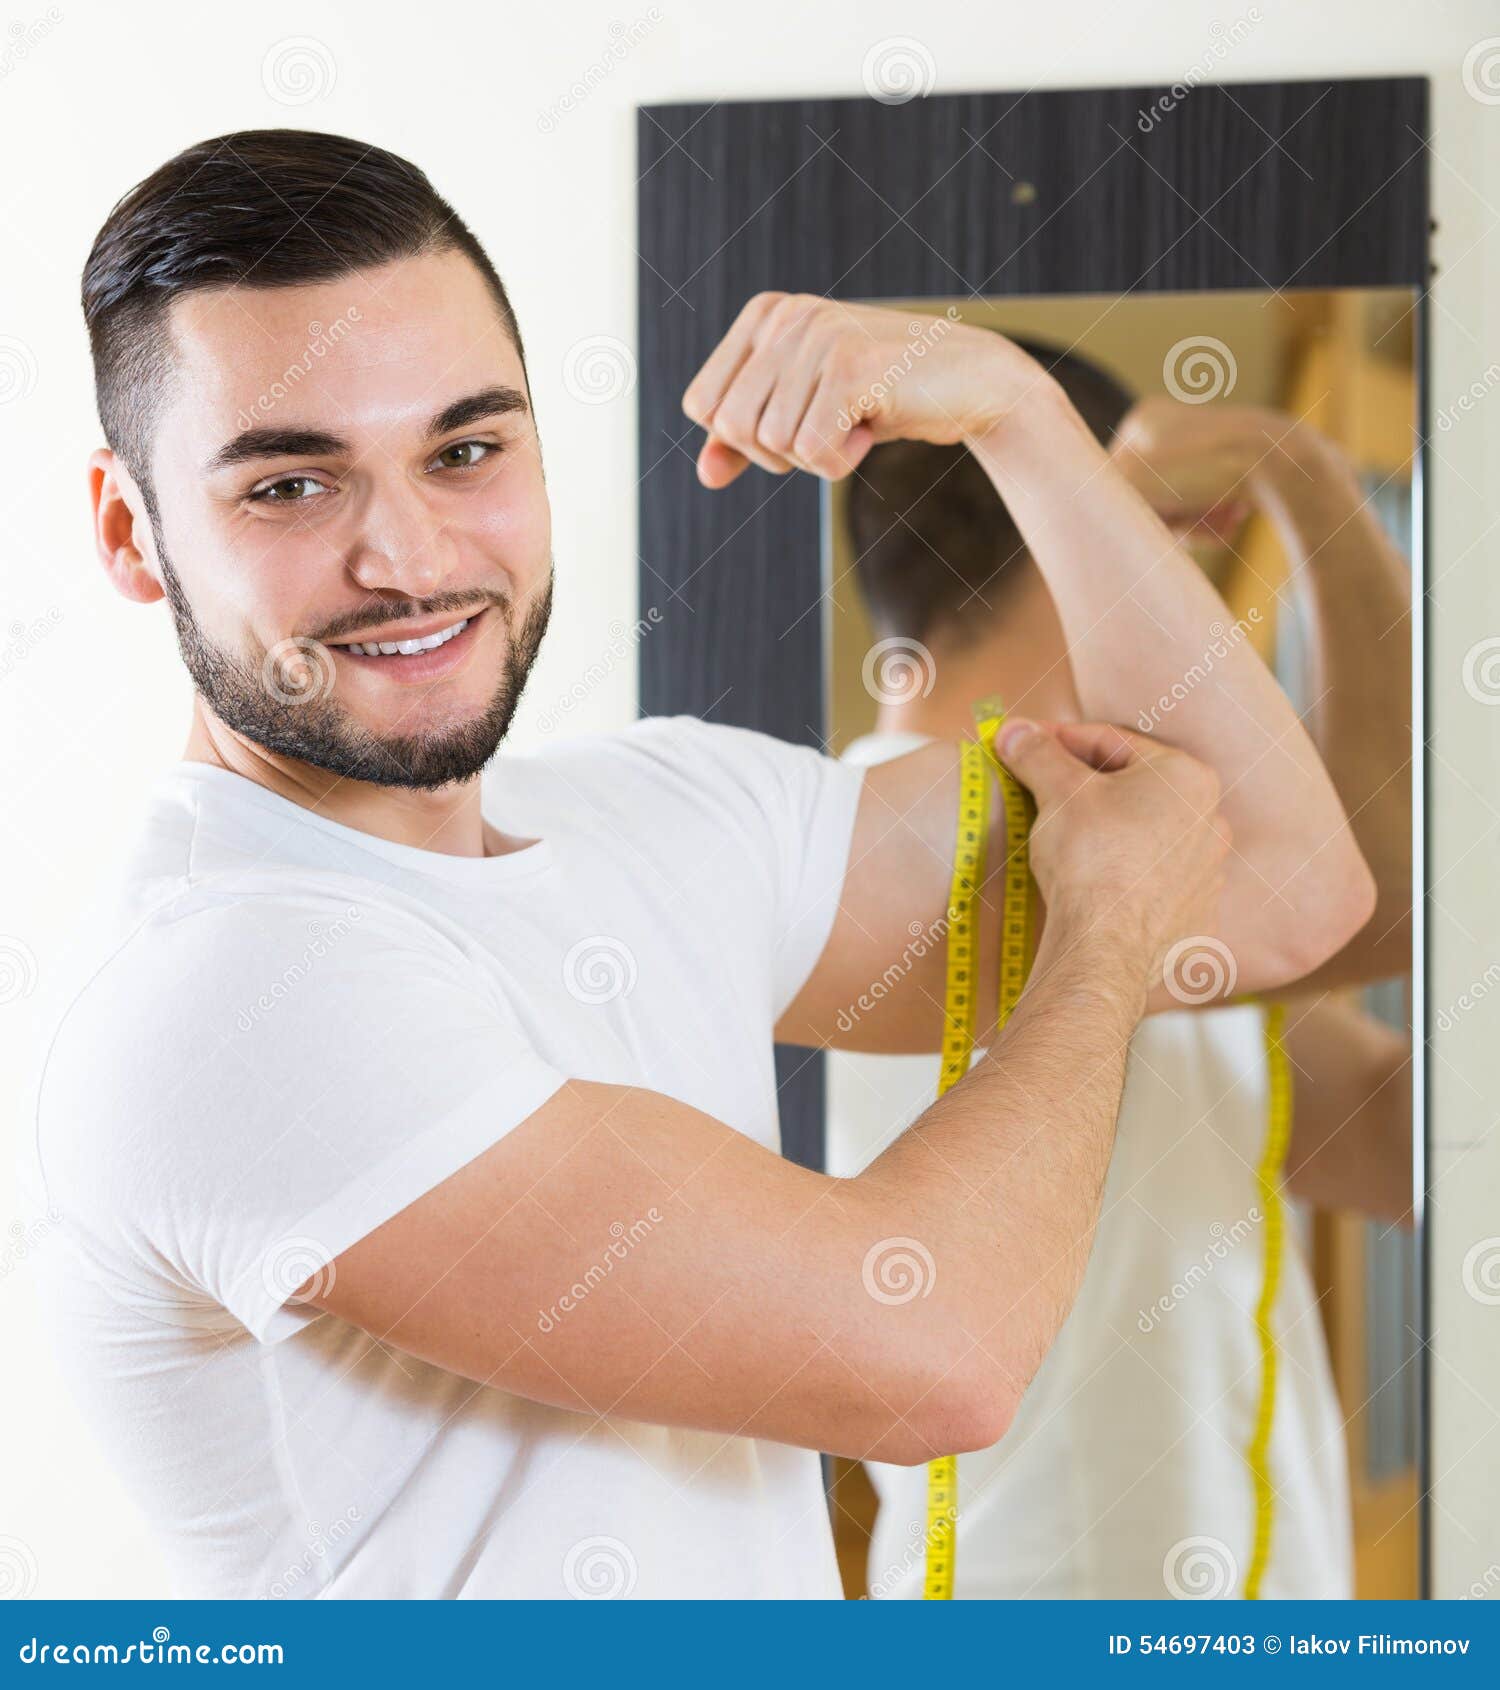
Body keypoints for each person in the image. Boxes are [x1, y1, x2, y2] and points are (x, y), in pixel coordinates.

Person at [16, 130, 1374, 1601]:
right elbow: (932, 1353)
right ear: (127, 528)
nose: (407, 554)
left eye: (465, 450)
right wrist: (1102, 940)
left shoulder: (667, 815)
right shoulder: (231, 986)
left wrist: (1013, 410)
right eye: (289, 486)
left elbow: (1279, 878)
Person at [828, 340, 1413, 1599]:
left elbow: (1393, 1149)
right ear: (1089, 530)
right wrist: (1309, 483)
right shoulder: (930, 842)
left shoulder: (1109, 848)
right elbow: (1387, 891)